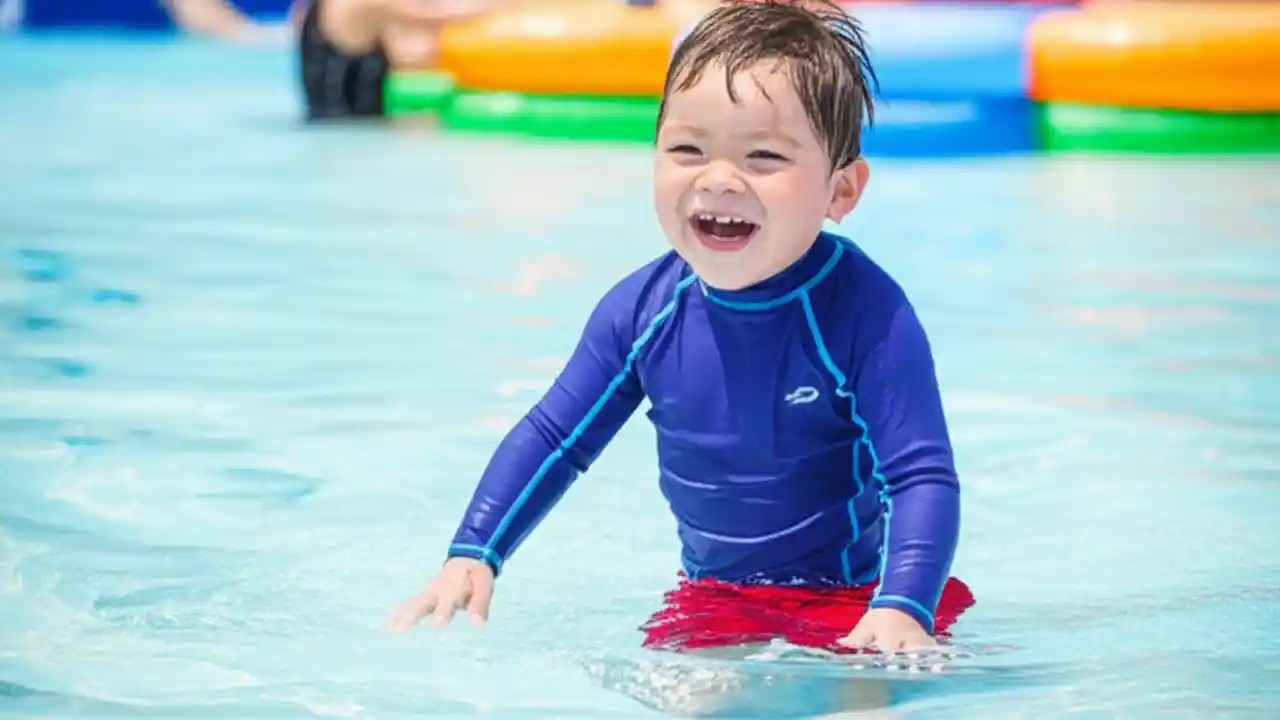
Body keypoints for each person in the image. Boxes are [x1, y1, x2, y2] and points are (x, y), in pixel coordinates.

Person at [389, 0, 975, 657]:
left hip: (854, 597)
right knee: (683, 696)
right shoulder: (642, 313)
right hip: (716, 597)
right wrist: (476, 551)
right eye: (688, 149)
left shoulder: (864, 310)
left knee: (864, 691)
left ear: (841, 191)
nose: (717, 177)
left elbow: (920, 474)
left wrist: (903, 603)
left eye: (762, 157)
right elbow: (555, 437)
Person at [293, 0, 503, 120]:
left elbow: (409, 58)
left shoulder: (323, 6)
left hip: (331, 130)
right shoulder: (364, 4)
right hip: (354, 140)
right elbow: (437, 18)